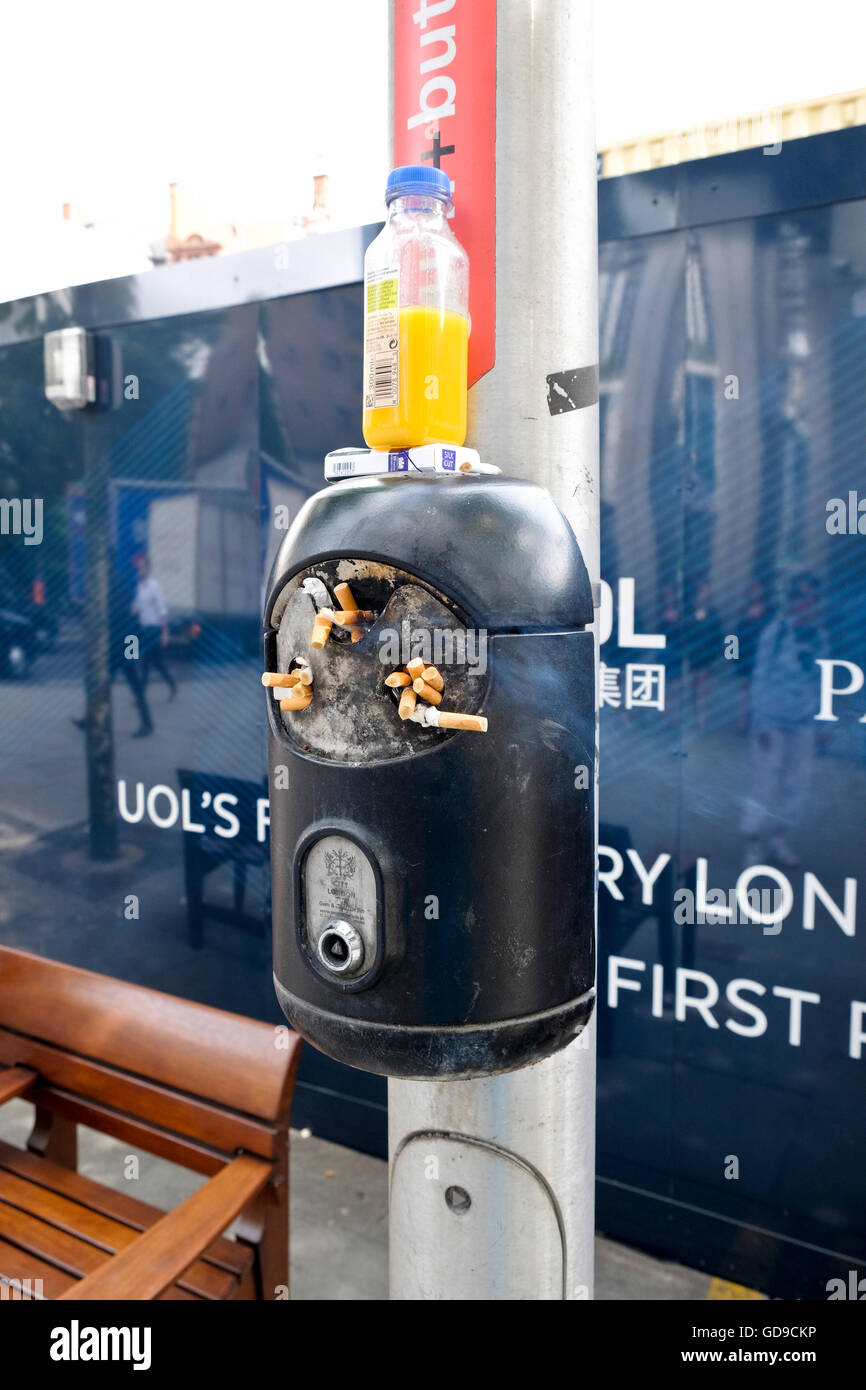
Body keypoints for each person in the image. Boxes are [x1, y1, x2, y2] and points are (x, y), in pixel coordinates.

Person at [740, 571, 824, 867]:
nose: (806, 603)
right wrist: (760, 722)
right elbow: (759, 677)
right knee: (764, 784)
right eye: (800, 596)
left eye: (811, 597)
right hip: (772, 723)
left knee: (796, 785)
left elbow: (821, 681)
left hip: (802, 724)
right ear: (790, 600)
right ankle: (753, 846)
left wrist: (820, 724)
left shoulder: (818, 635)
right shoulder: (774, 633)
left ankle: (778, 841)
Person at [130, 552, 177, 734]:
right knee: (151, 664)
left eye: (141, 568)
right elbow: (136, 606)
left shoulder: (154, 586)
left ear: (148, 568)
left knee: (148, 664)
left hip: (154, 630)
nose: (139, 571)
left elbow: (162, 610)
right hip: (143, 630)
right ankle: (168, 685)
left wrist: (165, 633)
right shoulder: (139, 587)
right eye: (138, 568)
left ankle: (140, 694)